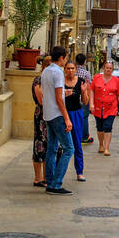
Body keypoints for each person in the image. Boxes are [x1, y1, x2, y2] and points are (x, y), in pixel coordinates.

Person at [42, 45, 73, 194]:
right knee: (69, 148)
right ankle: (56, 183)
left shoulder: (45, 71)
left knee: (52, 148)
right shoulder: (58, 73)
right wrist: (67, 119)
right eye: (66, 58)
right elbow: (59, 99)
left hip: (48, 113)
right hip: (57, 115)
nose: (66, 61)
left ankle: (49, 180)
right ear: (61, 58)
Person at [63, 59, 91, 182]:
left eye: (72, 68)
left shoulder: (80, 82)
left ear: (76, 69)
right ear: (64, 69)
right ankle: (59, 171)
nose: (70, 71)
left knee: (77, 144)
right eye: (68, 68)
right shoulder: (60, 82)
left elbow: (85, 102)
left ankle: (79, 172)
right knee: (61, 145)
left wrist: (84, 91)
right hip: (63, 114)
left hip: (76, 114)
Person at [90, 58, 119, 155]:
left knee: (108, 126)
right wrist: (91, 103)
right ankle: (101, 144)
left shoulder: (117, 81)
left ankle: (107, 148)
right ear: (103, 68)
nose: (108, 69)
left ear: (112, 70)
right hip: (98, 107)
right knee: (99, 127)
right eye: (107, 68)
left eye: (110, 68)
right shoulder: (96, 78)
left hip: (111, 108)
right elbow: (92, 90)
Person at [31, 55, 51, 187]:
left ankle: (45, 176)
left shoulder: (47, 80)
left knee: (48, 145)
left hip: (49, 115)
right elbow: (41, 100)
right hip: (42, 116)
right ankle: (38, 178)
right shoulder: (38, 81)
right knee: (39, 145)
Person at [75, 52, 93, 144]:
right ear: (84, 62)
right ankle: (85, 136)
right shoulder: (86, 73)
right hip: (83, 97)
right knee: (84, 117)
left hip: (73, 97)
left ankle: (74, 136)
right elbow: (89, 86)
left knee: (74, 117)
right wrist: (89, 99)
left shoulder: (73, 71)